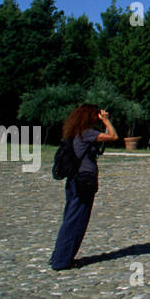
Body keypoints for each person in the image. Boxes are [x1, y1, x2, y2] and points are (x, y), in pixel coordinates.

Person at [49, 104, 119, 270]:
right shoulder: (87, 133)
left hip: (74, 180)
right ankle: (62, 261)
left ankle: (59, 256)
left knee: (70, 217)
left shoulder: (74, 132)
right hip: (84, 180)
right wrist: (107, 121)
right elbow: (114, 136)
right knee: (77, 219)